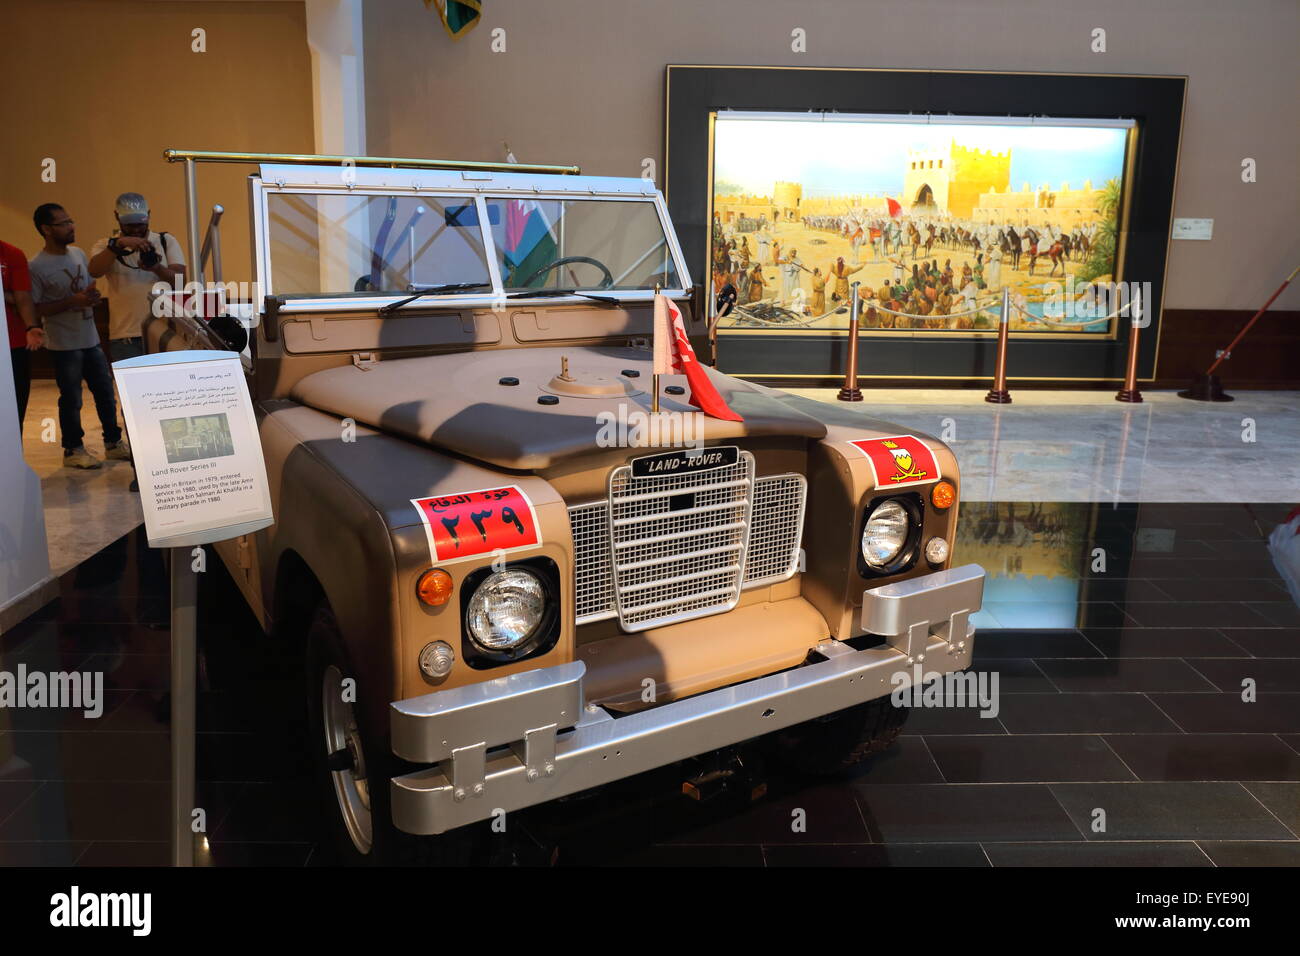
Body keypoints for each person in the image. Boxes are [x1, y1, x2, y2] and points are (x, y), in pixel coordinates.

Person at [29, 204, 129, 469]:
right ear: (46, 229)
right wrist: (72, 300)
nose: (71, 226)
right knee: (72, 399)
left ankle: (113, 443)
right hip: (64, 343)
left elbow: (86, 289)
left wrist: (91, 298)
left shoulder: (77, 253)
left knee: (106, 393)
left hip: (91, 337)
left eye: (71, 220)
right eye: (63, 223)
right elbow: (37, 308)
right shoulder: (36, 266)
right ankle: (73, 449)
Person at [87, 193, 186, 363]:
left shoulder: (164, 240)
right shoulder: (105, 245)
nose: (136, 229)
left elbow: (180, 281)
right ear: (117, 217)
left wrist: (157, 267)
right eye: (129, 225)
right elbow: (95, 271)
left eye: (141, 224)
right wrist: (118, 245)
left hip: (165, 332)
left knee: (167, 387)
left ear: (148, 215)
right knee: (132, 389)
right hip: (125, 335)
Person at [2, 238, 44, 432]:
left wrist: (30, 327)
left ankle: (12, 458)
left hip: (12, 341)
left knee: (14, 407)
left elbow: (22, 296)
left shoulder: (11, 254)